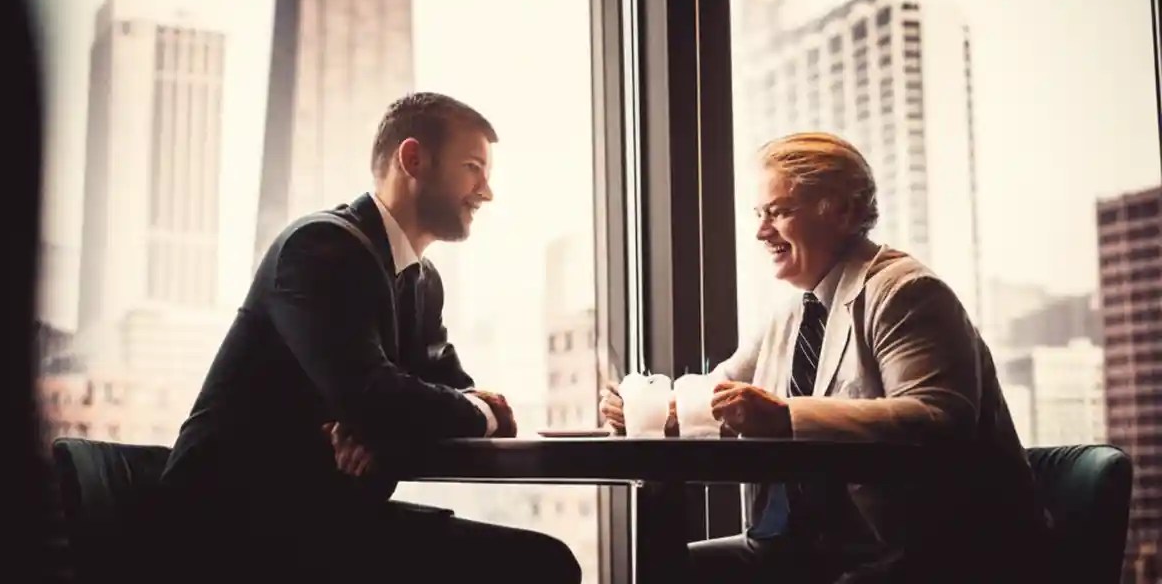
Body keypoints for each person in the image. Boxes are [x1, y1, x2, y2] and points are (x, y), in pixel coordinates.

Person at [159, 92, 581, 583]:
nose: (485, 191)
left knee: (539, 562)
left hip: (319, 523)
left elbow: (433, 395)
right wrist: (463, 411)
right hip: (231, 530)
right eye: (472, 167)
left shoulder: (424, 282)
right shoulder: (319, 247)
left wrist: (390, 424)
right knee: (537, 566)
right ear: (413, 159)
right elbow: (381, 398)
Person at [600, 132, 1051, 583]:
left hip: (929, 555)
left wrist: (785, 417)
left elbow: (937, 418)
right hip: (808, 549)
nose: (760, 231)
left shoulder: (907, 292)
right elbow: (714, 395)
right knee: (665, 572)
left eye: (779, 212)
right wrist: (656, 412)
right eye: (760, 214)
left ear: (844, 211)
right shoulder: (792, 311)